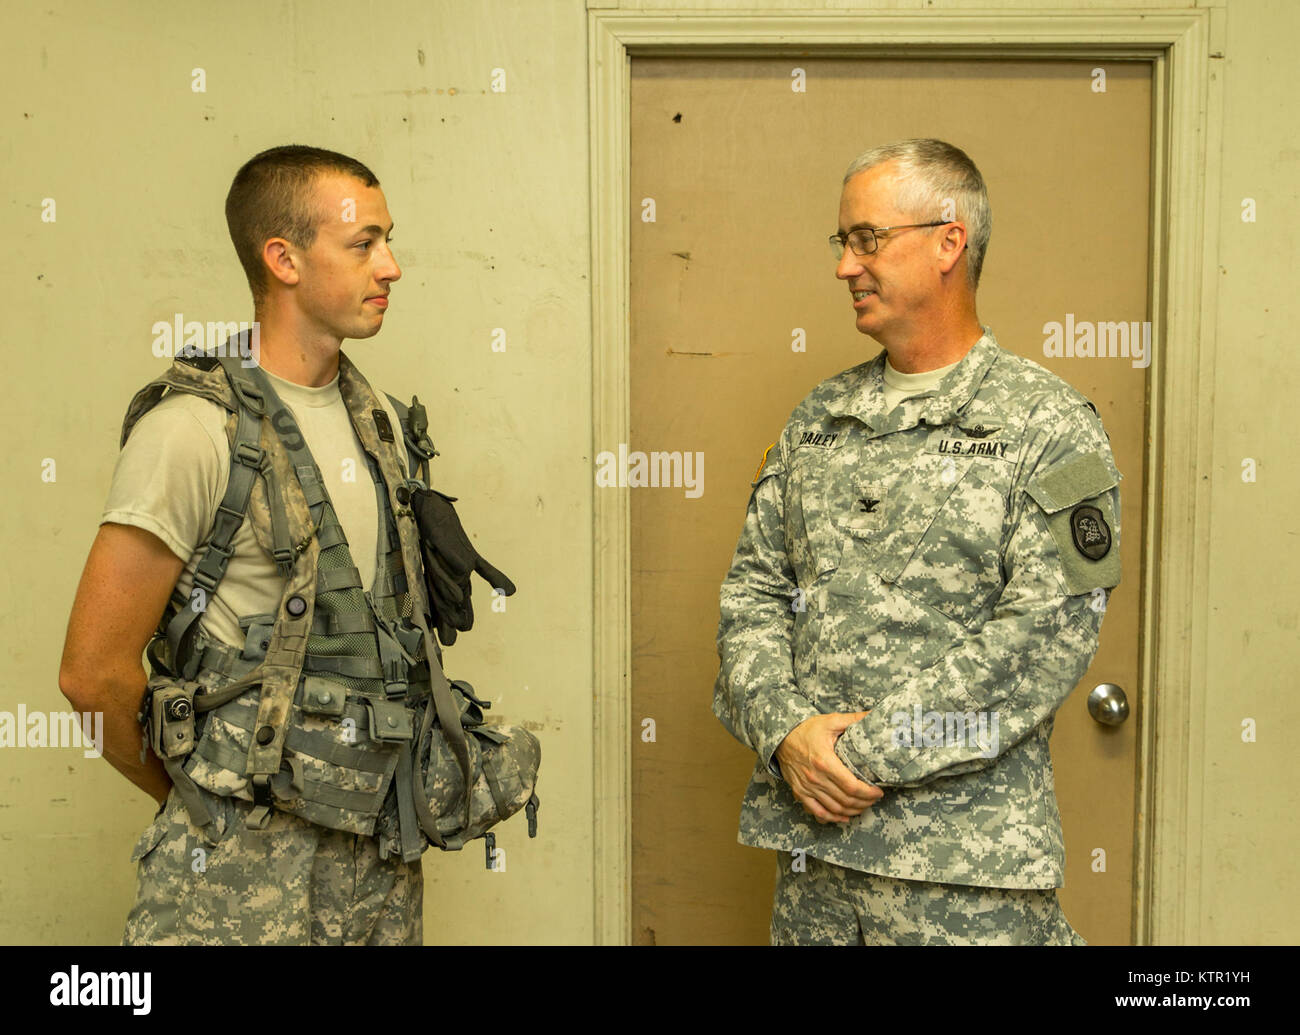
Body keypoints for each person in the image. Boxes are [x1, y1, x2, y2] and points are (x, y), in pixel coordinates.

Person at [713, 138, 1122, 946]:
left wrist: (862, 754)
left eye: (867, 239)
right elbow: (751, 595)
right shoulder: (816, 420)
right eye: (843, 242)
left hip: (965, 877)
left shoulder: (1051, 426)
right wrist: (784, 732)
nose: (844, 266)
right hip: (814, 873)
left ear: (948, 241)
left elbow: (1046, 636)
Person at [59, 145, 437, 945]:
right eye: (363, 243)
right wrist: (202, 803)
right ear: (284, 259)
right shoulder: (193, 431)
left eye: (388, 239)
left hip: (378, 868)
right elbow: (92, 676)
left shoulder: (381, 424)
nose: (391, 266)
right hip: (231, 886)